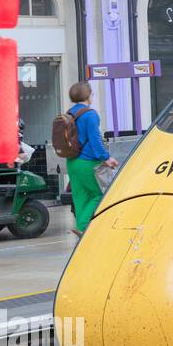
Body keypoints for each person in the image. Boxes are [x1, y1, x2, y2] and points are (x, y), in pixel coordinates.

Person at [65, 82, 118, 236]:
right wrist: (106, 157)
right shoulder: (90, 114)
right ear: (88, 95)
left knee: (80, 196)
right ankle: (83, 227)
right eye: (92, 93)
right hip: (87, 162)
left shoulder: (69, 113)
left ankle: (82, 228)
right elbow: (95, 139)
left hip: (72, 161)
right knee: (98, 195)